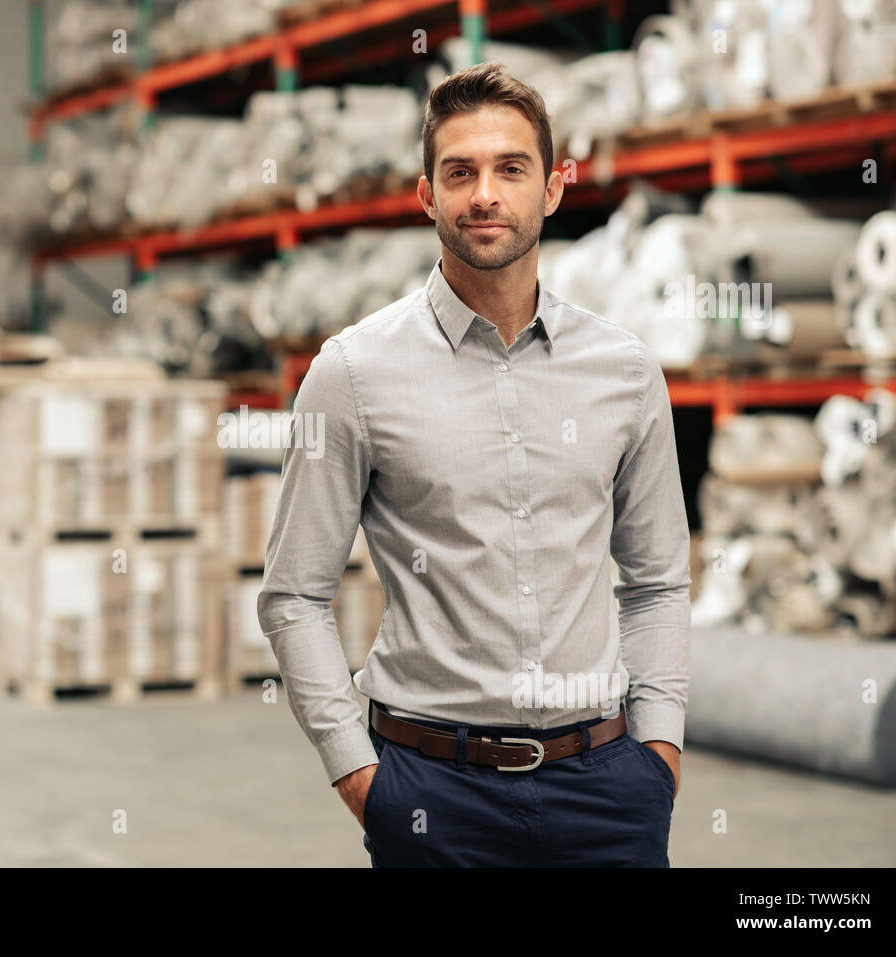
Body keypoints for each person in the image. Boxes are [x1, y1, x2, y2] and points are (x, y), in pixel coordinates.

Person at [257, 62, 691, 867]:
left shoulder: (625, 370)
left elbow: (658, 578)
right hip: (432, 795)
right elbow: (294, 595)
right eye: (459, 172)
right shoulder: (352, 373)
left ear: (554, 187)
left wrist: (656, 756)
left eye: (510, 168)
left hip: (607, 790)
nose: (484, 193)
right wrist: (361, 777)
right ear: (427, 195)